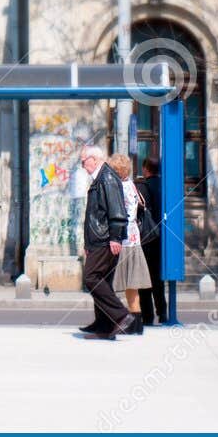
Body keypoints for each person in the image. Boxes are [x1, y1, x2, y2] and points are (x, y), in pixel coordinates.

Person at [78, 145, 135, 340]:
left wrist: (116, 237)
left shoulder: (107, 178)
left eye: (83, 161)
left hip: (105, 240)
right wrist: (88, 244)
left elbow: (117, 211)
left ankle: (121, 315)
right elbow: (95, 215)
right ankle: (103, 324)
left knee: (91, 277)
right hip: (97, 240)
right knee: (102, 280)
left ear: (94, 159)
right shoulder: (100, 178)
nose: (82, 165)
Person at [109, 154, 150, 335]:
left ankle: (119, 321)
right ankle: (137, 324)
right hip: (134, 238)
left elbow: (117, 215)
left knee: (113, 284)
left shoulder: (118, 188)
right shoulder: (132, 186)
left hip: (122, 240)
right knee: (131, 286)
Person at [138, 156, 168, 326]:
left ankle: (147, 315)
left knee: (144, 277)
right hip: (163, 238)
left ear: (146, 169)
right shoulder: (165, 187)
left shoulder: (143, 187)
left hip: (147, 238)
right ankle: (162, 313)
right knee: (158, 279)